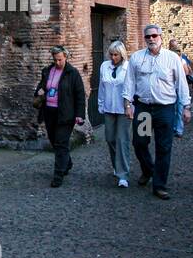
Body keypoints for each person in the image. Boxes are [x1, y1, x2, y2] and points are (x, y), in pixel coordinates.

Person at [123, 24, 191, 200]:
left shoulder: (172, 58)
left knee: (163, 147)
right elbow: (129, 81)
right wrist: (127, 103)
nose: (151, 39)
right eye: (148, 37)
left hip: (165, 109)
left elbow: (181, 84)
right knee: (140, 142)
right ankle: (149, 169)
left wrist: (186, 107)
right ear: (144, 38)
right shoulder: (137, 58)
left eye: (154, 35)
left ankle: (159, 185)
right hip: (145, 109)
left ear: (160, 36)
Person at [34, 45, 85, 188]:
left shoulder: (72, 73)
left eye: (60, 60)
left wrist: (80, 114)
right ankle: (67, 163)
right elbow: (41, 87)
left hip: (66, 113)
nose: (57, 63)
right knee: (53, 140)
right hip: (49, 111)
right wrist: (39, 91)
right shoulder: (47, 71)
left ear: (65, 57)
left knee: (61, 142)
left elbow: (80, 95)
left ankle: (58, 175)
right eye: (55, 59)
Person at [97, 41, 132, 188]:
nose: (113, 57)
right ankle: (116, 165)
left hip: (123, 109)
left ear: (122, 54)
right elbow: (101, 86)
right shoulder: (104, 66)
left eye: (116, 54)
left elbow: (131, 88)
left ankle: (123, 174)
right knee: (110, 139)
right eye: (111, 54)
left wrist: (129, 106)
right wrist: (100, 103)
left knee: (121, 140)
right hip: (109, 108)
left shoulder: (128, 67)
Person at [169, 40, 193, 137]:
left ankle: (178, 129)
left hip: (179, 87)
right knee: (173, 109)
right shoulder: (168, 60)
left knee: (179, 109)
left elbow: (186, 72)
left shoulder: (182, 60)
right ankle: (174, 128)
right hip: (171, 88)